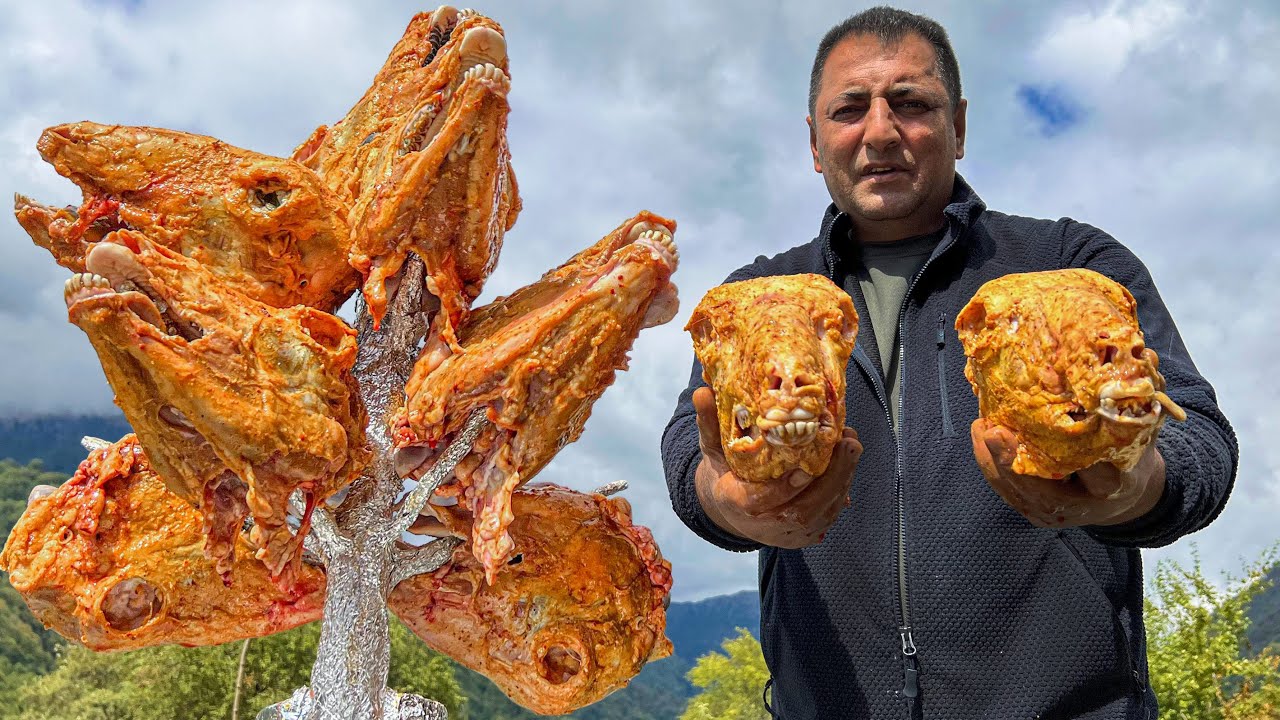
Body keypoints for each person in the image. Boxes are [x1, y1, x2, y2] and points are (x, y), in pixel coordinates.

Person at [660, 6, 1237, 719]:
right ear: (814, 142)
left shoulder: (1071, 267)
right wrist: (727, 501)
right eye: (849, 109)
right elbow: (692, 445)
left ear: (958, 125)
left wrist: (1137, 487)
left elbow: (1200, 437)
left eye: (910, 103)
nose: (879, 132)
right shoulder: (756, 301)